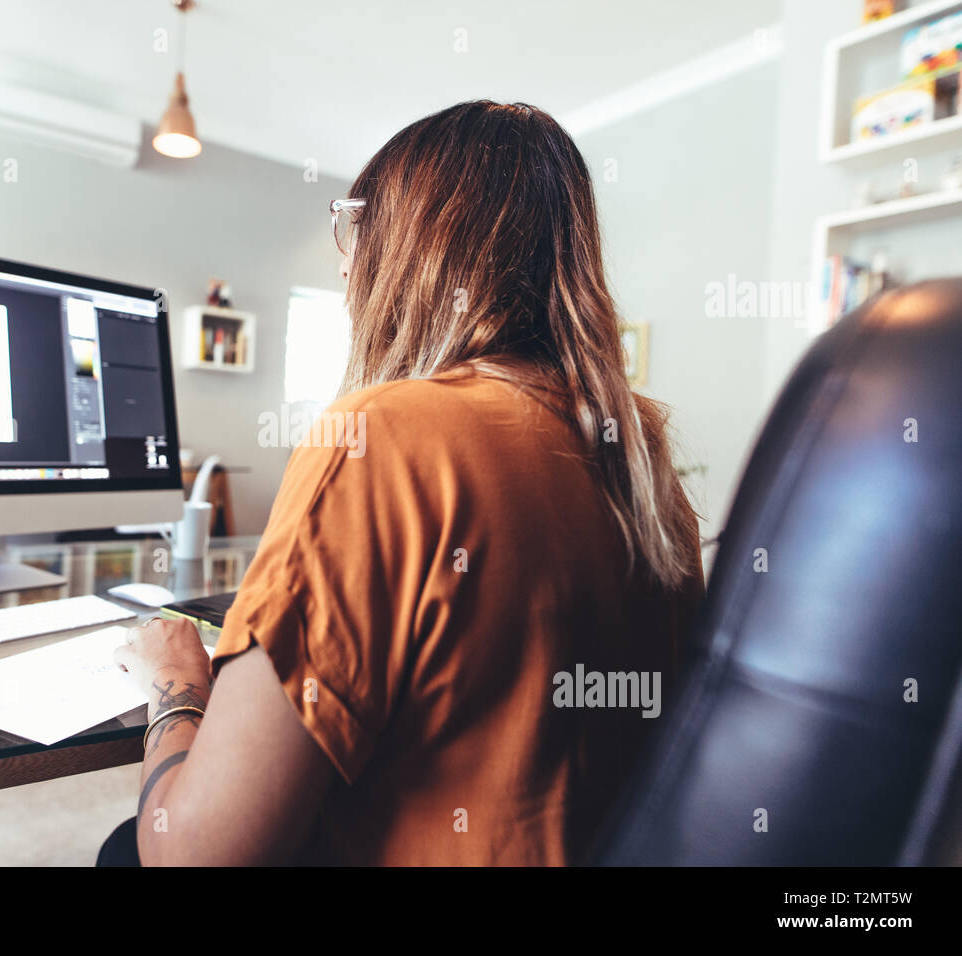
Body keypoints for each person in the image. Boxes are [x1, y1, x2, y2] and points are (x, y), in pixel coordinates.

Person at [104, 100, 705, 866]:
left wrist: (176, 687)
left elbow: (195, 855)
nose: (346, 265)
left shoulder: (381, 433)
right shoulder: (639, 446)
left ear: (409, 248)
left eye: (356, 231)